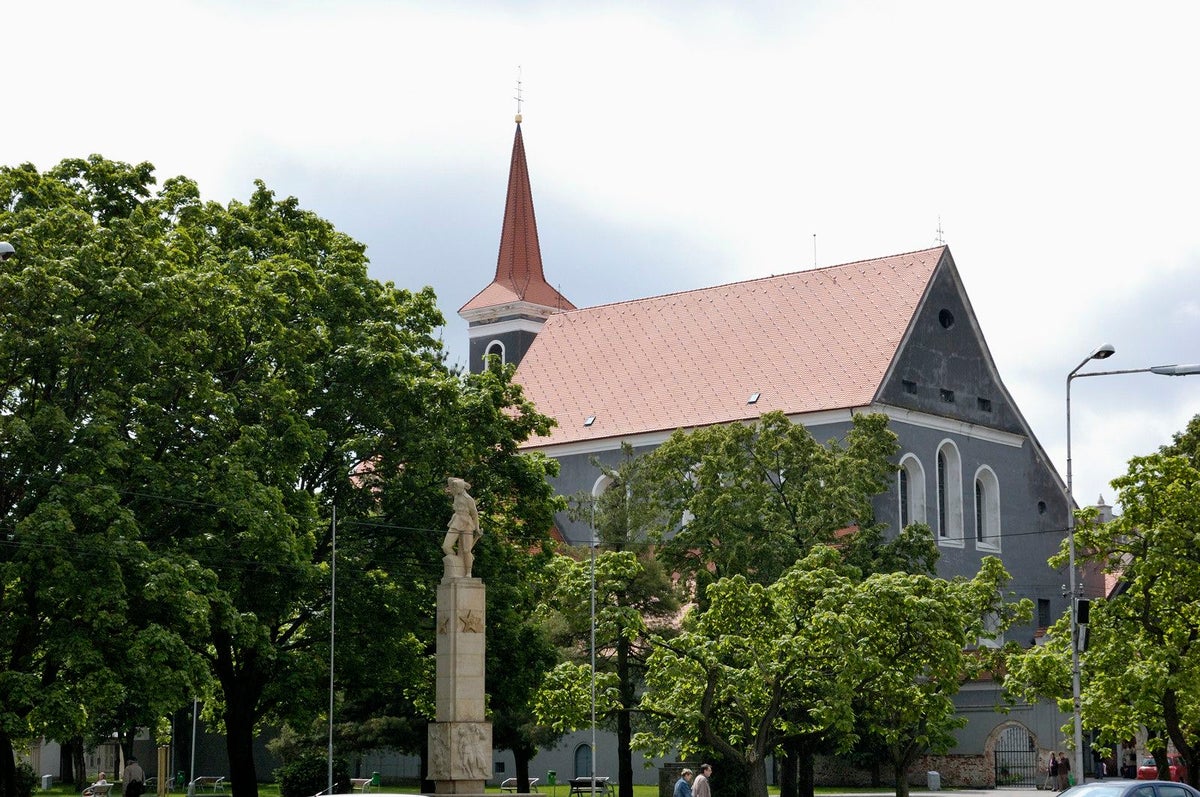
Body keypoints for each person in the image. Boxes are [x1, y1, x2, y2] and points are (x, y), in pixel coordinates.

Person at [441, 477, 481, 577]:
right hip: (456, 521)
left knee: (467, 550)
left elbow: (475, 514)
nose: (452, 490)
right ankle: (456, 564)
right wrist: (461, 482)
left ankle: (468, 572)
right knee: (446, 546)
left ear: (460, 488)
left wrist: (477, 528)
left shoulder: (469, 499)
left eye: (455, 488)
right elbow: (450, 479)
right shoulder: (456, 494)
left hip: (467, 523)